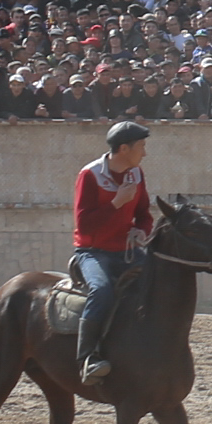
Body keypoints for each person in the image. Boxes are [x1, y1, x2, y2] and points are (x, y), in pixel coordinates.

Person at [70, 119, 157, 384]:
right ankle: (87, 358)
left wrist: (141, 231)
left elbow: (143, 214)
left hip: (126, 250)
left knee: (158, 282)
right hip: (92, 252)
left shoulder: (136, 174)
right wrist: (117, 203)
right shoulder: (91, 175)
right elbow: (83, 224)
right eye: (141, 146)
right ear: (123, 149)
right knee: (102, 290)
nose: (145, 152)